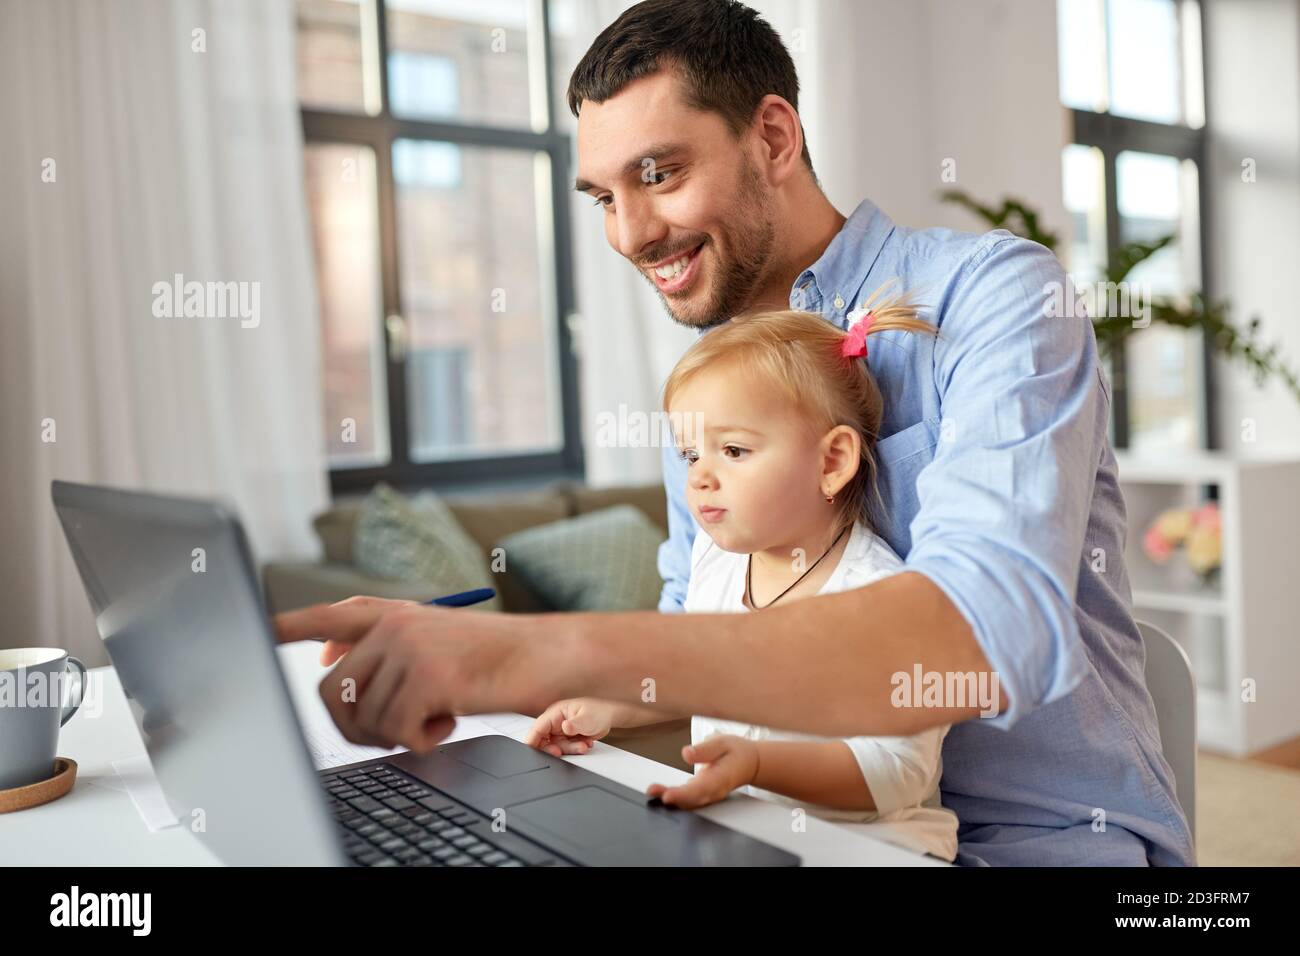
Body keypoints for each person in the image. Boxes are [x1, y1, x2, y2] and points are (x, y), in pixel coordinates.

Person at [275, 0, 1195, 866]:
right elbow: (694, 642)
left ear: (774, 137)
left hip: (1039, 846)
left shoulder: (997, 294)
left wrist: (530, 646)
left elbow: (988, 635)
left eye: (659, 174)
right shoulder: (717, 387)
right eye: (602, 196)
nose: (630, 233)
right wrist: (529, 685)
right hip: (808, 837)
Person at [524, 297, 959, 862]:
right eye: (689, 454)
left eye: (732, 450)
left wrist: (758, 765)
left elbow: (894, 774)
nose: (701, 477)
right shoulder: (717, 559)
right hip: (750, 842)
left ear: (832, 463)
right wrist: (608, 707)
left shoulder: (885, 602)